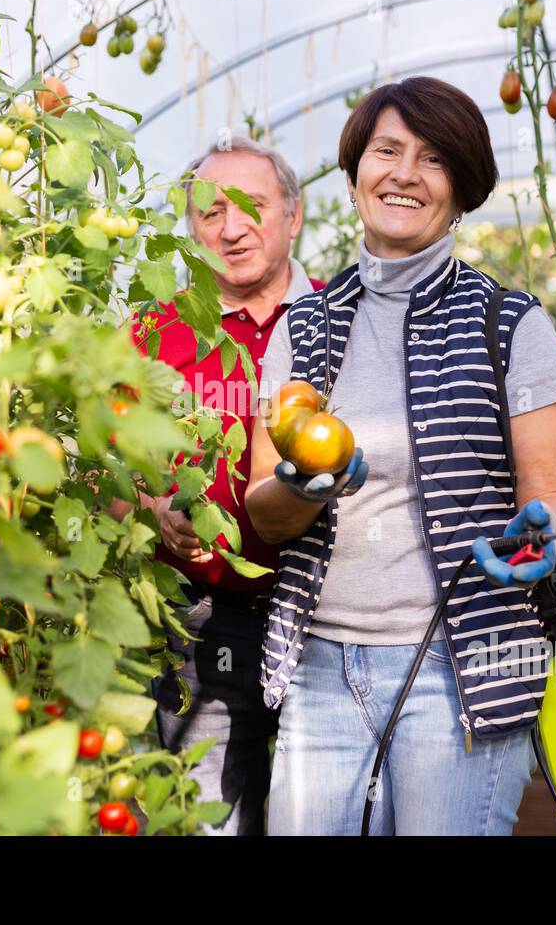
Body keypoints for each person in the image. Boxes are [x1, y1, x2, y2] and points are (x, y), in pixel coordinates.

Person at [244, 77, 556, 835]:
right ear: (356, 170)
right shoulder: (305, 327)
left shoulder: (510, 324)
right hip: (322, 668)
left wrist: (539, 534)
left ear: (462, 191)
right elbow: (265, 514)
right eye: (386, 151)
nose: (403, 173)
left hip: (465, 663)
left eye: (433, 160)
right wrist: (307, 484)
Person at [113, 136, 324, 835]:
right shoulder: (150, 333)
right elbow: (100, 468)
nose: (231, 228)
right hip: (201, 621)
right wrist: (146, 504)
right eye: (210, 213)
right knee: (215, 820)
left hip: (330, 616)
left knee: (328, 813)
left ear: (292, 218)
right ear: (191, 230)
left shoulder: (343, 321)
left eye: (251, 207)